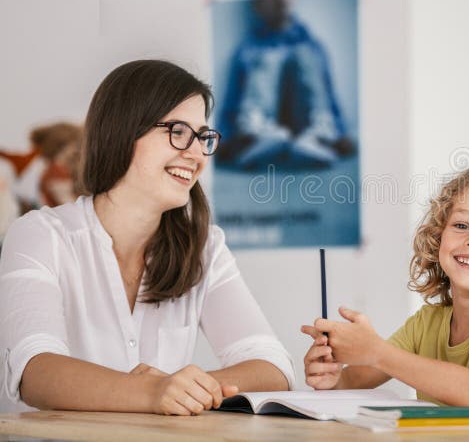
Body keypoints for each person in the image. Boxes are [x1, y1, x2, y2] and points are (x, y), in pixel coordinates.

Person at [0, 60, 294, 414]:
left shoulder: (205, 248)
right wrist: (153, 392)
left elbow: (272, 366)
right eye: (178, 132)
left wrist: (186, 390)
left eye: (202, 137)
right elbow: (36, 372)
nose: (197, 153)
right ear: (123, 132)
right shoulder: (40, 235)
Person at [302, 164, 469, 406]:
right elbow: (352, 380)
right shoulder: (426, 324)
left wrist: (377, 351)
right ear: (438, 237)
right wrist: (331, 377)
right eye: (461, 225)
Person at [216, 0, 355, 169]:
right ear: (257, 6)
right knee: (267, 57)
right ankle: (254, 137)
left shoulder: (311, 45)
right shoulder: (249, 47)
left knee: (304, 55)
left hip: (303, 123)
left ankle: (319, 136)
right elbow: (233, 95)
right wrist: (224, 136)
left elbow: (327, 92)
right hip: (267, 126)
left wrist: (342, 131)